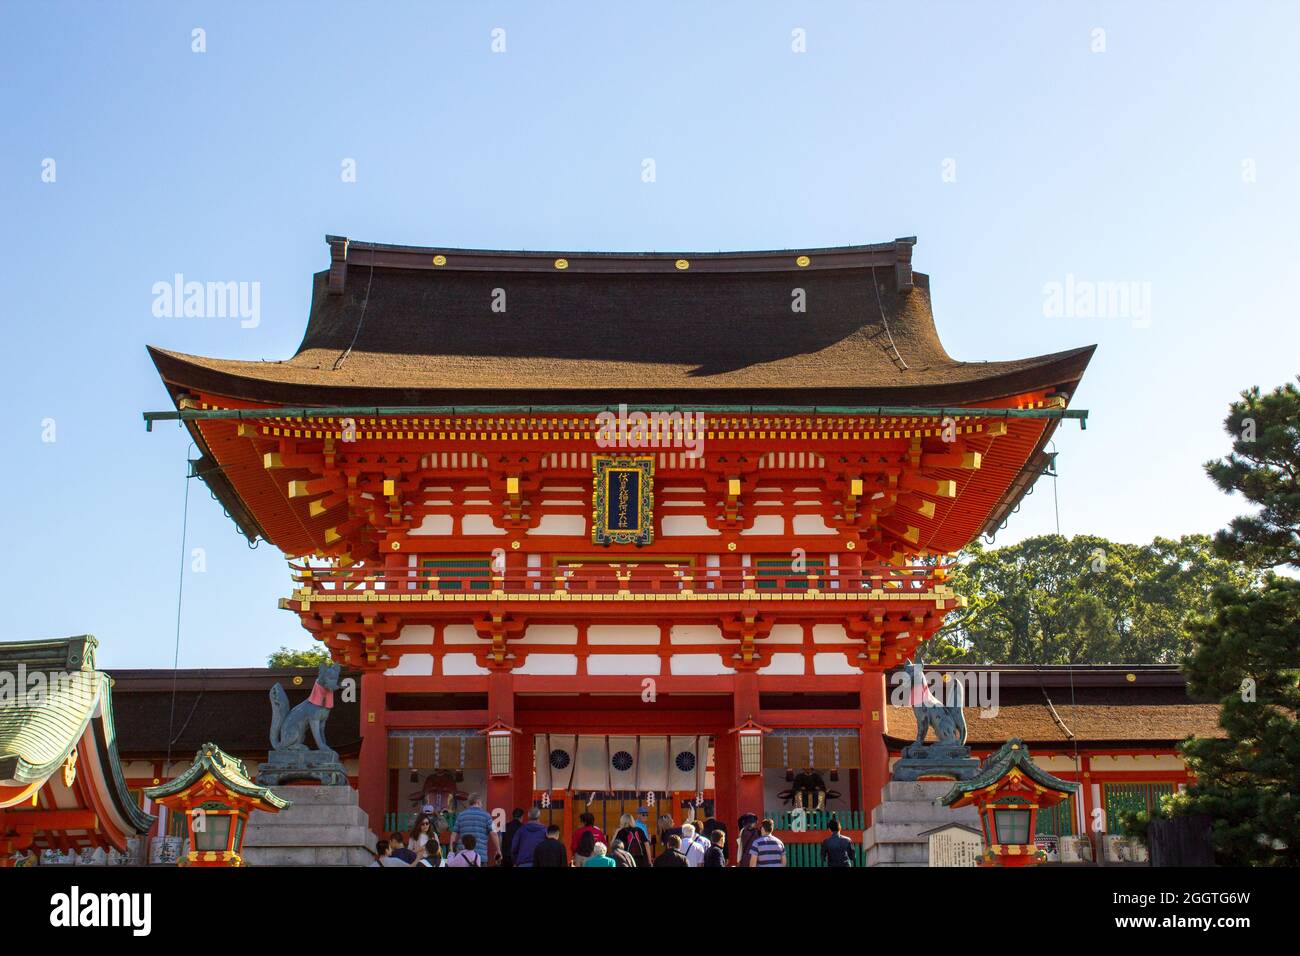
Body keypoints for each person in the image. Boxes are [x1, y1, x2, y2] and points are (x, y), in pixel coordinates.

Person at [451, 793, 498, 865]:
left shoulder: (461, 815)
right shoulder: (487, 816)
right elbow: (494, 834)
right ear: (478, 802)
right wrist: (498, 850)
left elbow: (454, 835)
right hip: (480, 856)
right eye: (481, 803)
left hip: (462, 857)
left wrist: (452, 851)